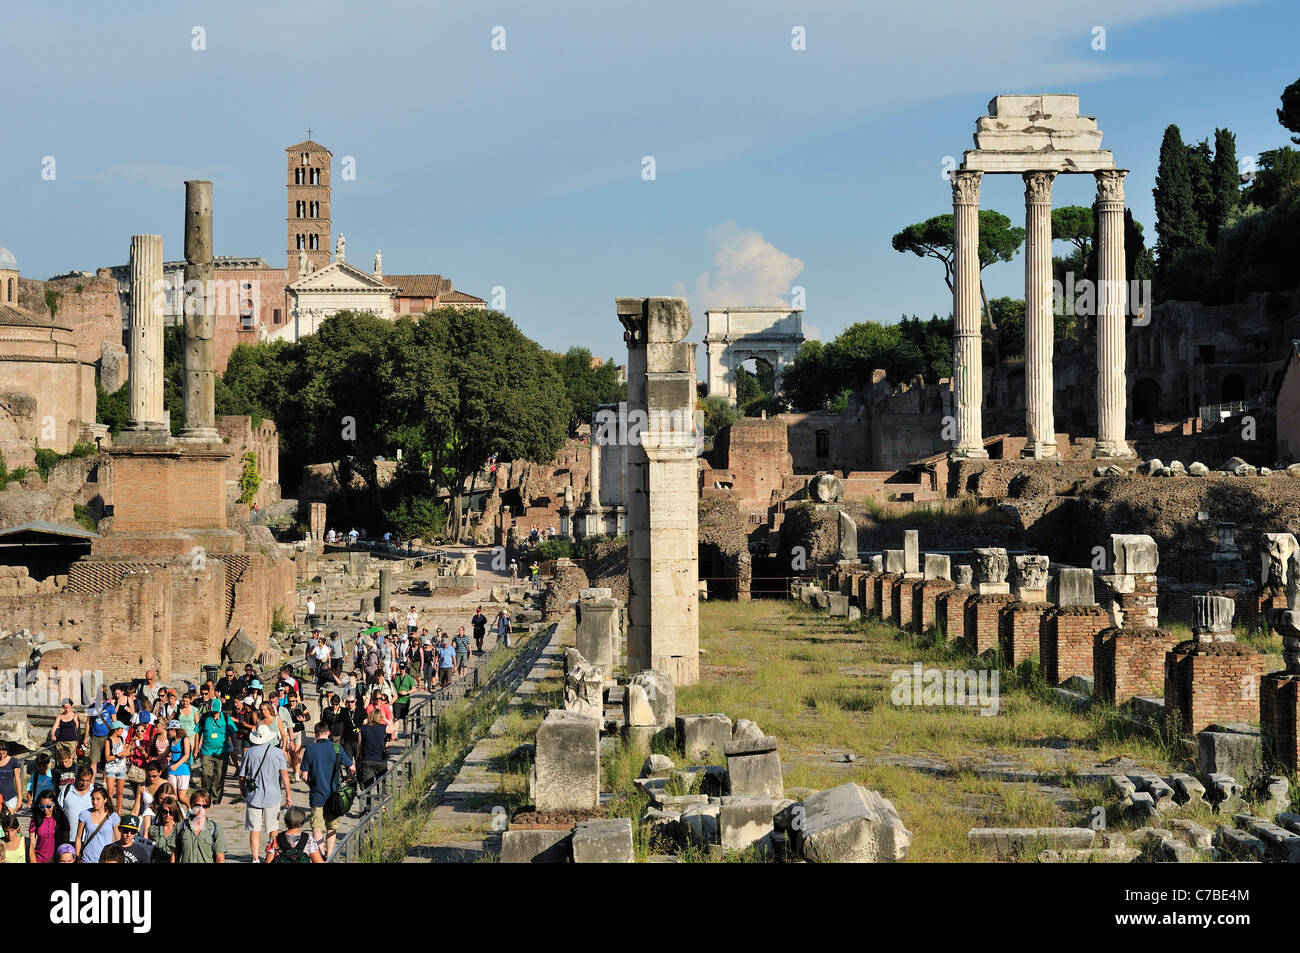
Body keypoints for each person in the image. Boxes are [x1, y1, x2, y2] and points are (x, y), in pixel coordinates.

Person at [299, 721, 355, 860]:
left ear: (316, 734)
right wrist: (348, 778)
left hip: (317, 794)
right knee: (331, 828)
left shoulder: (310, 750)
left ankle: (321, 855)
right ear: (328, 733)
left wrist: (311, 785)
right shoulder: (337, 748)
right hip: (334, 794)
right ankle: (329, 855)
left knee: (317, 827)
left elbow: (303, 775)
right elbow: (352, 768)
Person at [240, 723, 292, 862]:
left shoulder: (249, 753)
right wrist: (288, 794)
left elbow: (242, 776)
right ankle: (272, 856)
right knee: (273, 829)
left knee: (254, 829)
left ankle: (255, 858)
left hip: (254, 796)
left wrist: (243, 791)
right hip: (273, 795)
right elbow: (285, 775)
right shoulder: (277, 753)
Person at [195, 699, 235, 804]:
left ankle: (216, 797)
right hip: (206, 751)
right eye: (213, 711)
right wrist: (196, 748)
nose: (214, 713)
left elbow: (233, 733)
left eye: (216, 711)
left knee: (219, 775)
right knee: (206, 774)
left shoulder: (226, 718)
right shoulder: (205, 717)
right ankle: (205, 795)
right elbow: (197, 733)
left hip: (222, 752)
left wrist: (234, 747)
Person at [175, 790, 225, 863]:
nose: (201, 809)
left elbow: (220, 857)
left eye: (205, 806)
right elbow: (175, 855)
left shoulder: (215, 829)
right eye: (197, 805)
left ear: (208, 807)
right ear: (191, 805)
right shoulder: (180, 827)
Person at [74, 785, 120, 863]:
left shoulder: (113, 816)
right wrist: (77, 855)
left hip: (106, 859)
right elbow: (78, 837)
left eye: (98, 799)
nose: (94, 802)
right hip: (86, 859)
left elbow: (118, 839)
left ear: (105, 800)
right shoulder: (84, 814)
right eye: (93, 799)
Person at [83, 693, 116, 779]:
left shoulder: (109, 707)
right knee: (93, 760)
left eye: (102, 700)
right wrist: (85, 737)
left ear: (105, 700)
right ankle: (92, 782)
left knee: (105, 759)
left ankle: (105, 780)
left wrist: (114, 735)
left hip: (106, 736)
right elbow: (88, 723)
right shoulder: (91, 707)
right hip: (95, 736)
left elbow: (114, 720)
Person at [356, 709, 390, 789]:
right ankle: (382, 800)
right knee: (382, 786)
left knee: (368, 786)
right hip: (380, 760)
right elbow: (393, 729)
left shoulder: (363, 728)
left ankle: (368, 801)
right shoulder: (383, 728)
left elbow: (359, 744)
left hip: (367, 759)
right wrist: (385, 719)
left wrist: (357, 756)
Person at [103, 720, 129, 816]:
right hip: (111, 768)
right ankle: (109, 810)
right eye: (121, 729)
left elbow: (125, 751)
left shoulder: (122, 739)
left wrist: (129, 745)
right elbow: (107, 757)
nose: (122, 730)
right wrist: (120, 754)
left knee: (120, 792)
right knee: (110, 791)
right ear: (116, 730)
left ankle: (118, 812)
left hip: (121, 768)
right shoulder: (108, 741)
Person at [58, 766, 94, 837]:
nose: (84, 784)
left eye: (88, 781)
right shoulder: (66, 790)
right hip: (68, 837)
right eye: (82, 780)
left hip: (88, 839)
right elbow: (58, 811)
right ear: (76, 778)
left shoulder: (95, 793)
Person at [145, 795, 183, 863]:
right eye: (165, 811)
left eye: (171, 812)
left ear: (175, 812)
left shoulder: (181, 829)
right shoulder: (153, 829)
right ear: (160, 811)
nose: (167, 815)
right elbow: (148, 851)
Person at [166, 720, 192, 806]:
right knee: (173, 796)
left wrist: (176, 765)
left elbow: (186, 755)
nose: (168, 732)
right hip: (172, 769)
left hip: (183, 769)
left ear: (175, 730)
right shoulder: (171, 741)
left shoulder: (185, 740)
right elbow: (166, 752)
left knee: (182, 797)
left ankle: (190, 808)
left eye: (170, 730)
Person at [28, 790, 59, 863]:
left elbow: (65, 840)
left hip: (57, 858)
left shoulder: (61, 819)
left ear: (54, 804)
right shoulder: (35, 820)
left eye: (48, 806)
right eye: (42, 807)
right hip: (38, 859)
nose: (45, 810)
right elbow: (32, 842)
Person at [391, 661, 416, 732]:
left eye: (403, 668)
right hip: (397, 700)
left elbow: (414, 689)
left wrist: (407, 692)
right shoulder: (395, 677)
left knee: (405, 717)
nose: (401, 670)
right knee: (396, 717)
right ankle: (395, 733)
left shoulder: (409, 678)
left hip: (405, 701)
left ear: (405, 668)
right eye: (400, 668)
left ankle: (405, 731)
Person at [0, 743, 23, 813]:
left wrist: (19, 799)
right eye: (0, 754)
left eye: (4, 753)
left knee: (9, 820)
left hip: (10, 796)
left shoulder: (13, 762)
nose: (2, 756)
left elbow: (18, 781)